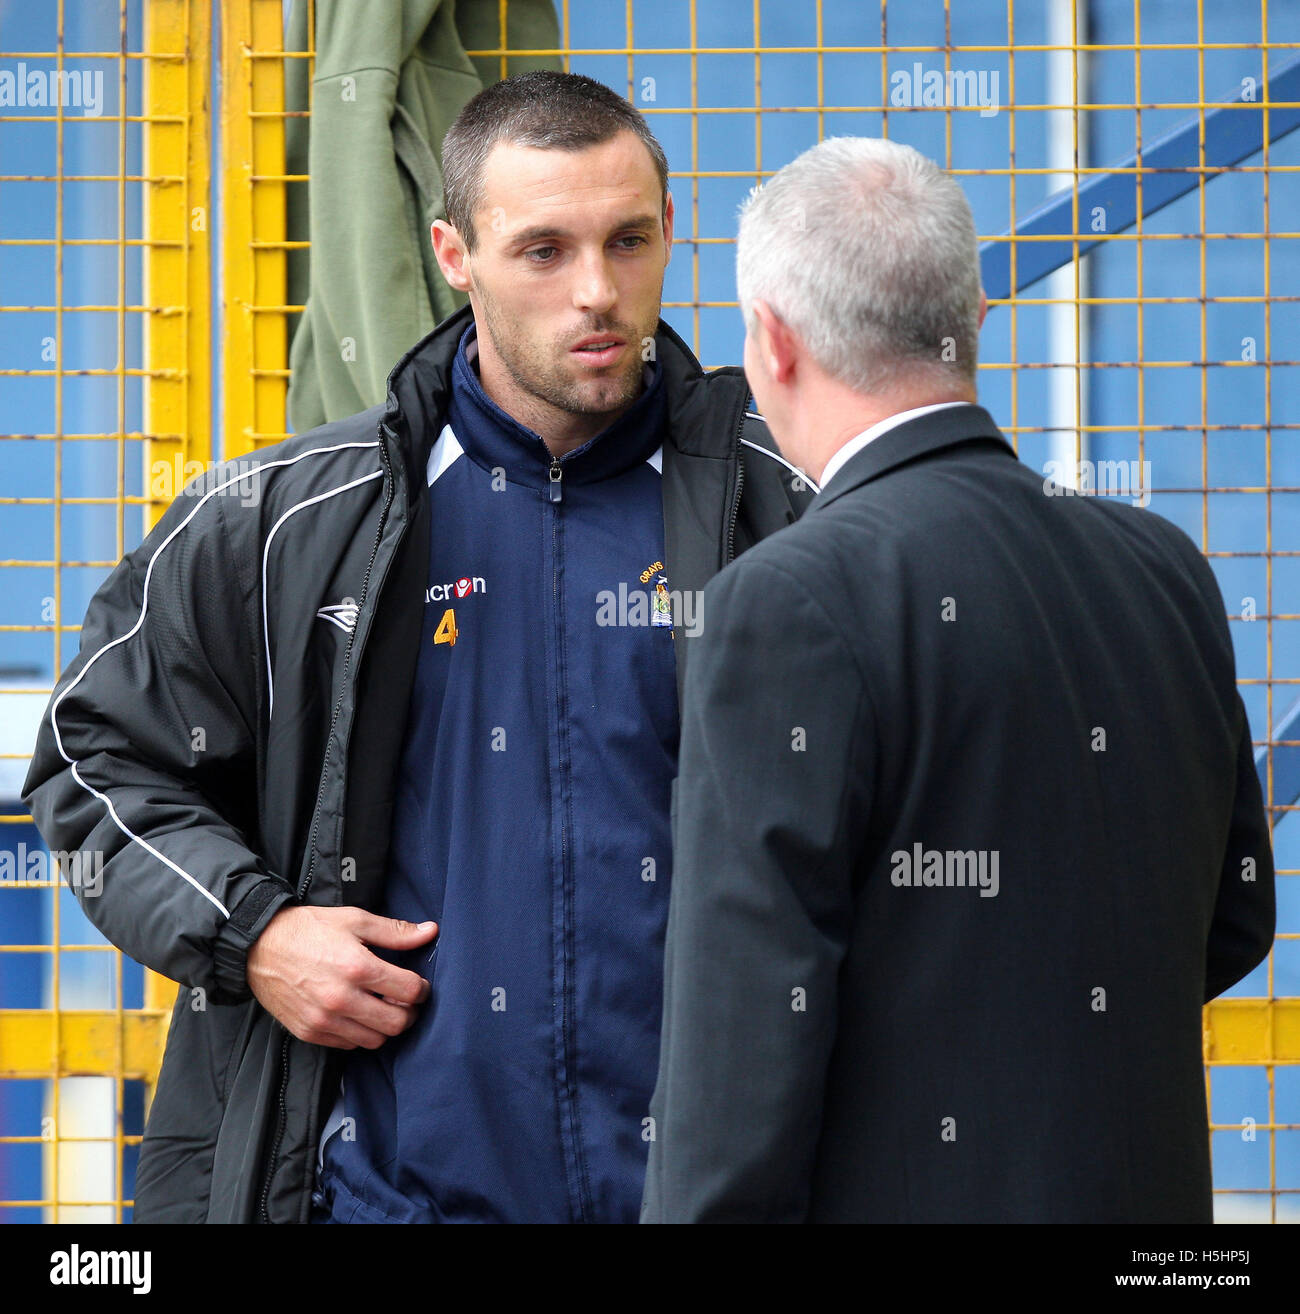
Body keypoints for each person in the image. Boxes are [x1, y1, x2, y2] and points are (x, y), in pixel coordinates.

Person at [21, 71, 808, 1224]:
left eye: (628, 241)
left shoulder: (791, 503)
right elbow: (94, 758)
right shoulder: (287, 522)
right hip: (384, 1198)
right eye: (542, 251)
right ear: (453, 253)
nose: (597, 292)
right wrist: (259, 933)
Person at [640, 136, 1276, 1224]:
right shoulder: (1159, 565)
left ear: (772, 345)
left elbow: (742, 1044)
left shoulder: (785, 600)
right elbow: (1236, 920)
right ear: (973, 319)